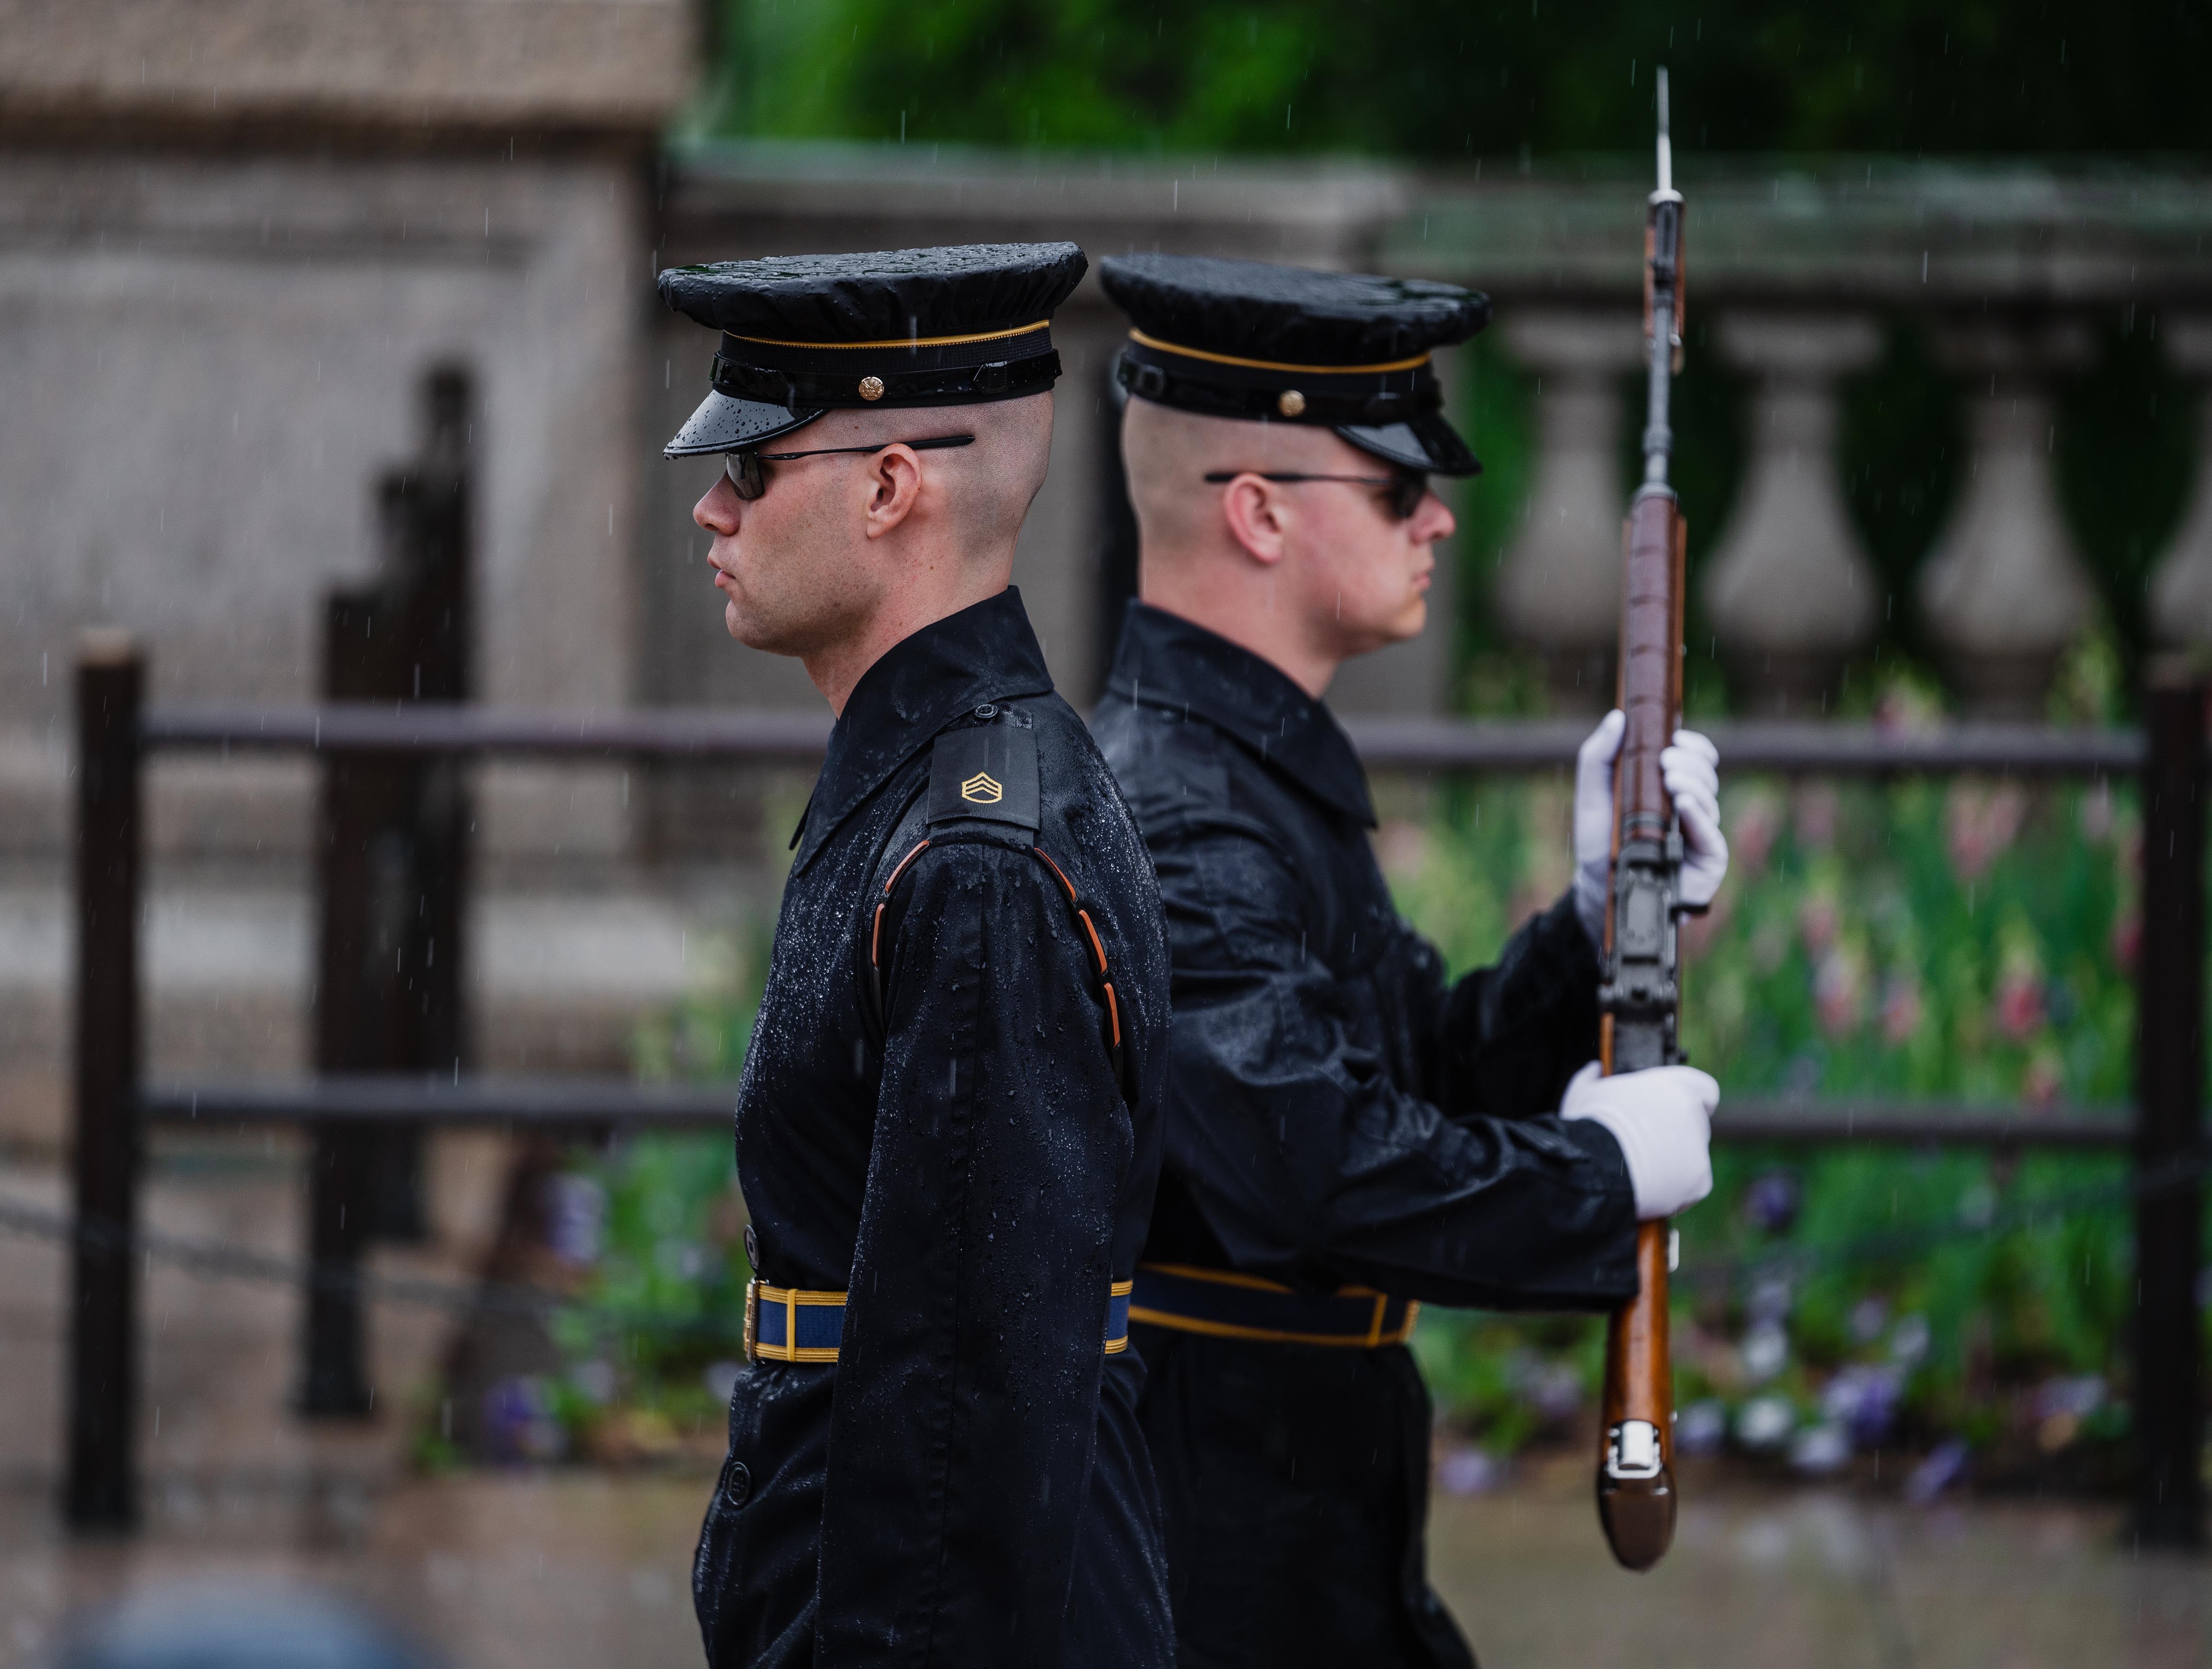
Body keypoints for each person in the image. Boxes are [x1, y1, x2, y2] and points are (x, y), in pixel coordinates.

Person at [1088, 253, 1729, 1669]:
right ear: (1258, 512)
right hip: (1219, 1548)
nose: (1436, 516)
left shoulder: (1243, 771)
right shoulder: (1184, 816)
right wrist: (1598, 1175)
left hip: (1296, 1509)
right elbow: (1318, 1171)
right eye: (1394, 487)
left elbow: (1410, 1075)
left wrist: (1595, 928)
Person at [660, 243, 1174, 1669]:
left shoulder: (970, 862)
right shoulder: (935, 782)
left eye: (752, 468)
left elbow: (966, 1399)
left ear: (890, 489)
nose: (712, 506)